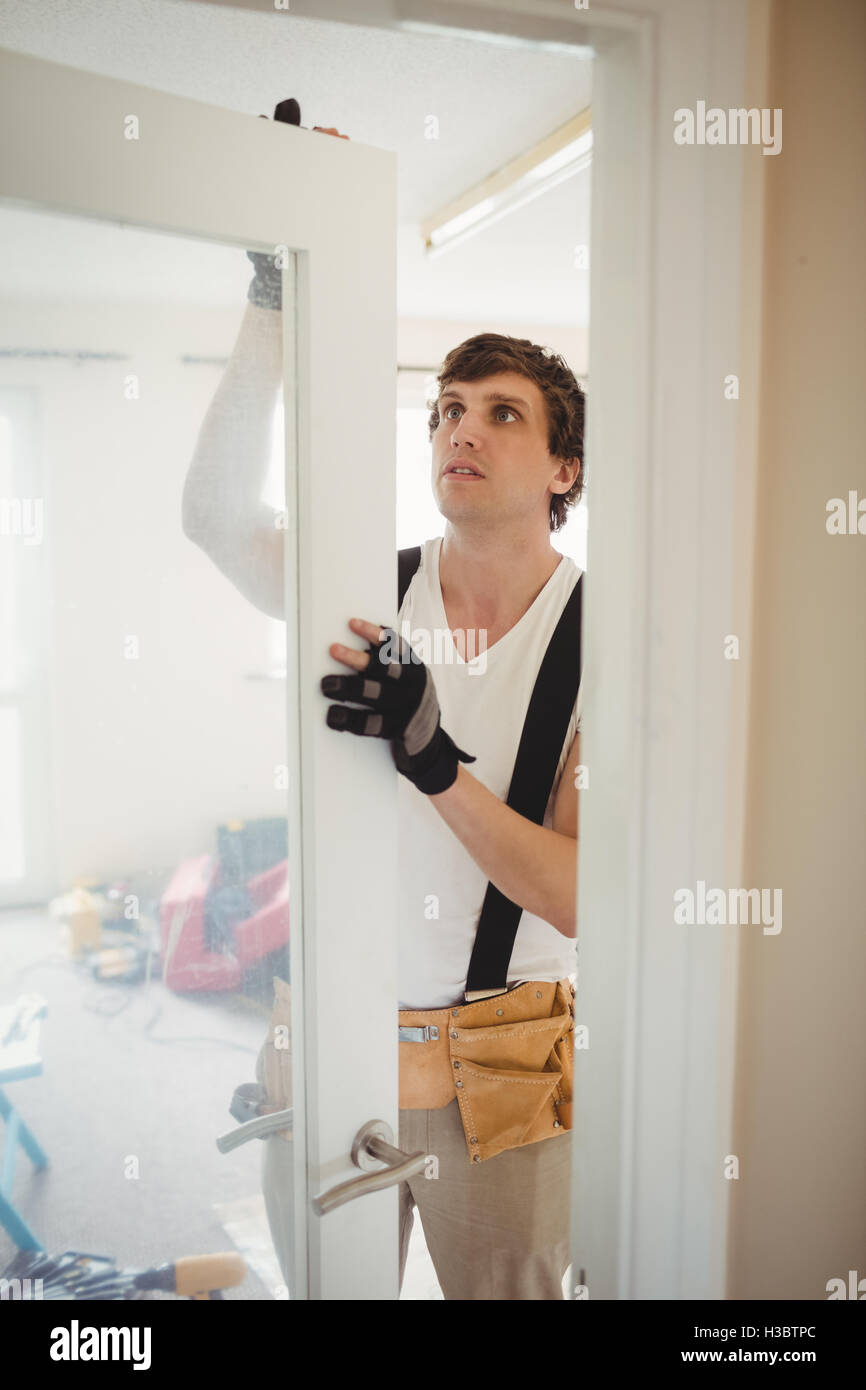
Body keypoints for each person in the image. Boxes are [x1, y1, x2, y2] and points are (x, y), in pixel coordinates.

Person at [182, 117, 585, 1303]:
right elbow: (213, 516)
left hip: (504, 1057)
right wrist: (272, 290)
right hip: (330, 1027)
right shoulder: (368, 582)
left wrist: (430, 756)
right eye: (447, 409)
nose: (461, 426)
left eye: (501, 412)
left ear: (564, 468)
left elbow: (569, 889)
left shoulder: (603, 641)